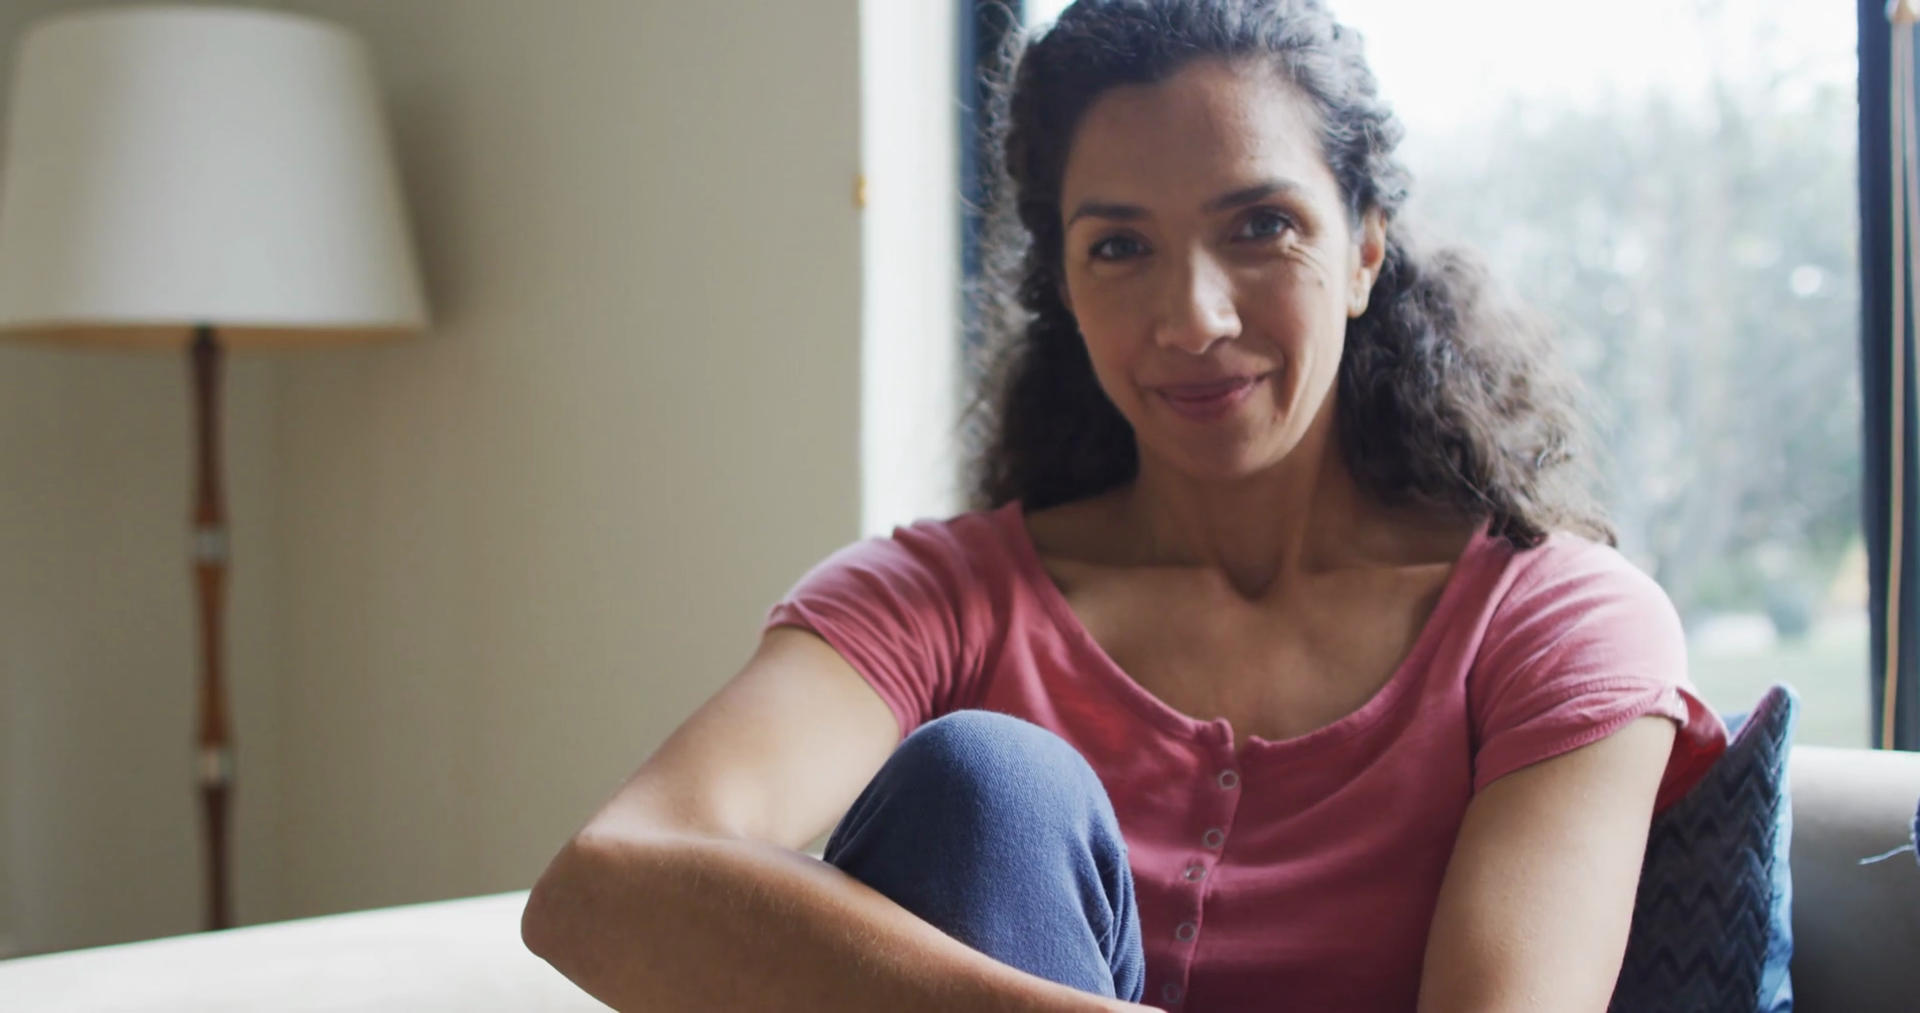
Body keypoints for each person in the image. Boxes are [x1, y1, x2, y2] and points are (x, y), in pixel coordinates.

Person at [520, 1, 1728, 1010]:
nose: (1193, 318)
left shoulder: (1556, 624)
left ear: (1365, 247)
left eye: (1263, 227)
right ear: (1061, 282)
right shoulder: (940, 597)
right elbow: (606, 883)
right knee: (988, 786)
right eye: (1118, 247)